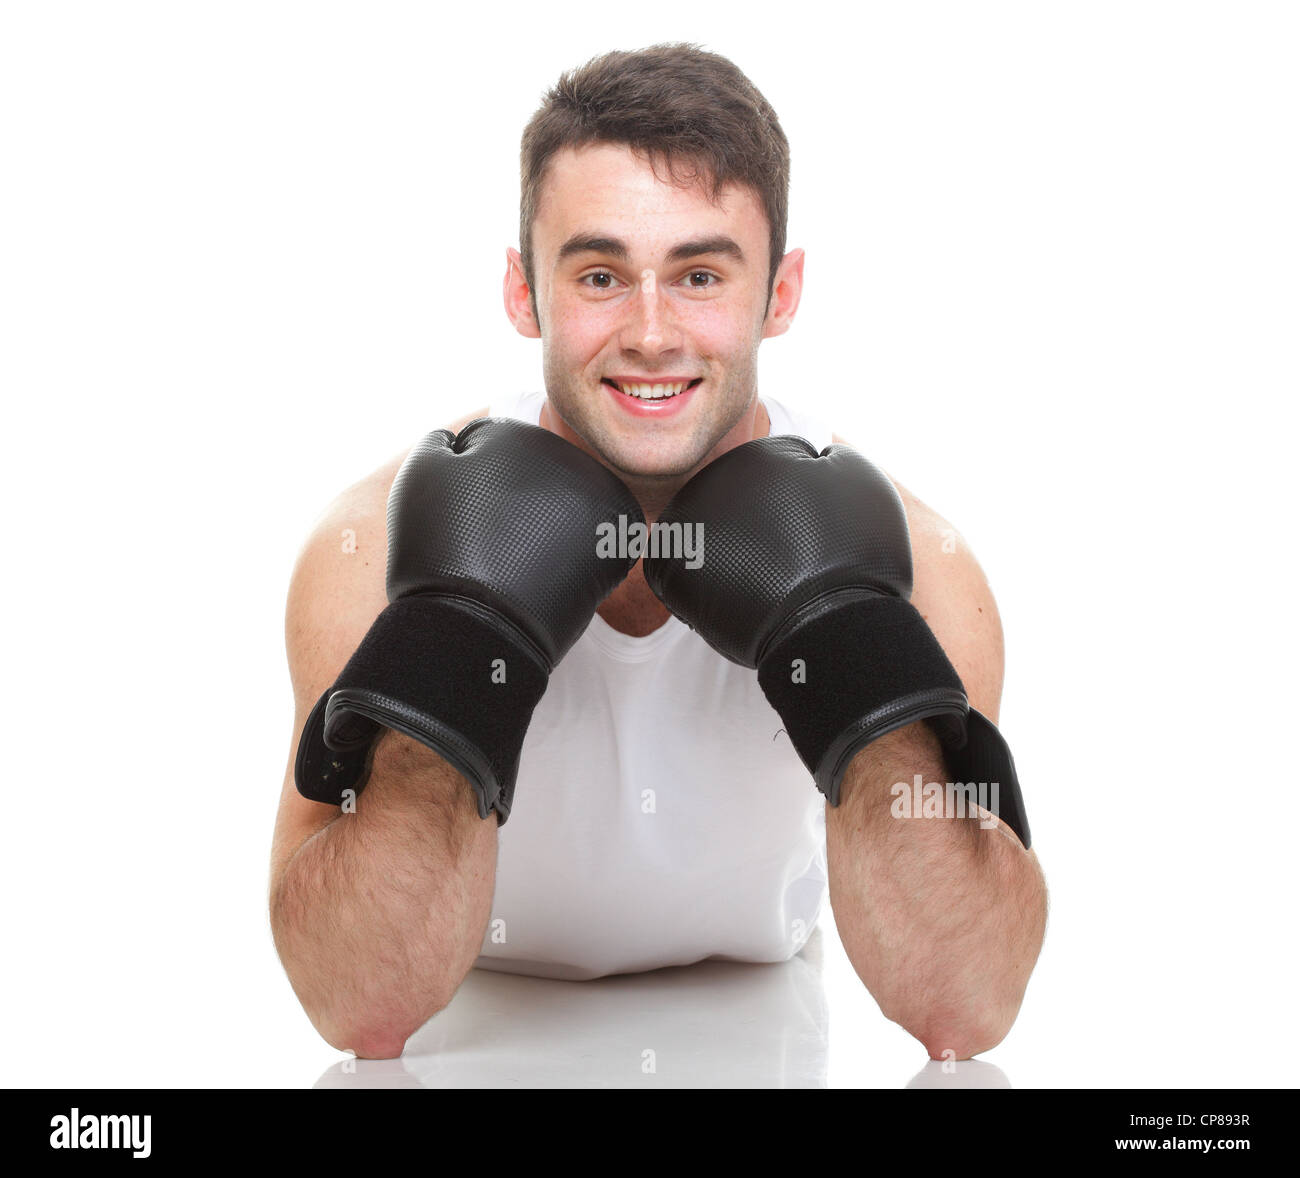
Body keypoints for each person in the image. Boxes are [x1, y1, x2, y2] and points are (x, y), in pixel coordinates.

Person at [269, 42, 1048, 1063]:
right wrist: (452, 636)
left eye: (698, 273)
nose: (648, 333)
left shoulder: (917, 563)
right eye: (599, 273)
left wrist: (855, 643)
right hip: (483, 1051)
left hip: (764, 1047)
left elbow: (966, 1008)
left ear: (780, 291)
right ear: (521, 291)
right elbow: (354, 1008)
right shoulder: (371, 551)